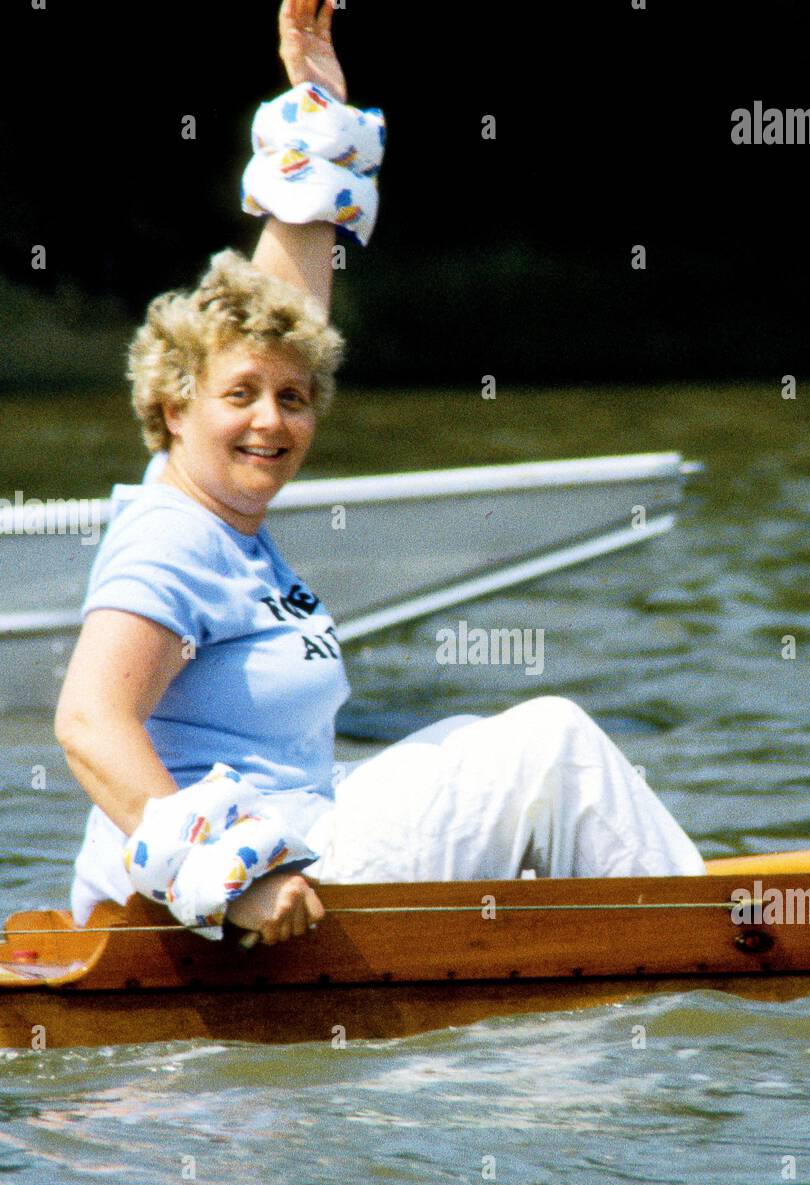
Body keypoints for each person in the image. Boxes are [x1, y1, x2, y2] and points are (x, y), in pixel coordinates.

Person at [55, 0, 704, 947]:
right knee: (551, 746)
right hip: (218, 895)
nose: (272, 421)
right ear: (174, 406)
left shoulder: (219, 511)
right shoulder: (173, 533)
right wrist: (226, 878)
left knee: (491, 739)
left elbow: (282, 313)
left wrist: (313, 108)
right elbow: (87, 722)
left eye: (296, 398)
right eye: (242, 396)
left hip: (295, 838)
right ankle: (719, 961)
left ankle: (608, 979)